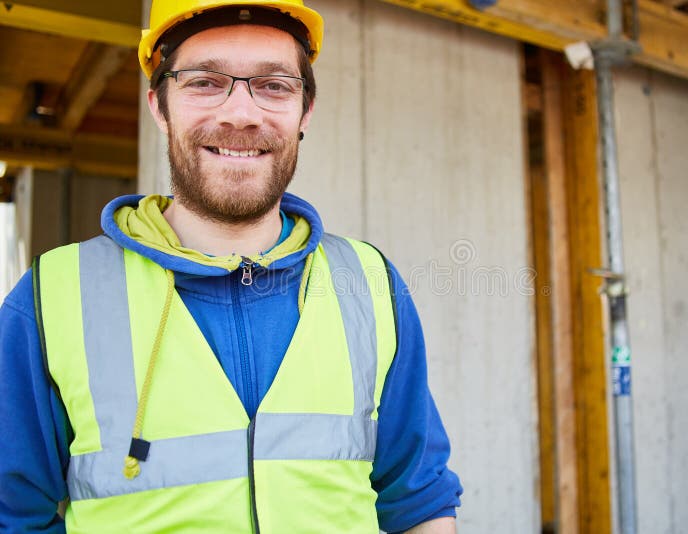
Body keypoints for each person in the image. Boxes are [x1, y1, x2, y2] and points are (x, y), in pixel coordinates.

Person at [0, 1, 462, 532]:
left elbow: (419, 502)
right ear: (159, 105)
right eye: (204, 81)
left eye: (274, 86)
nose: (241, 113)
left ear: (304, 111)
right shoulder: (52, 297)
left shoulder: (369, 282)